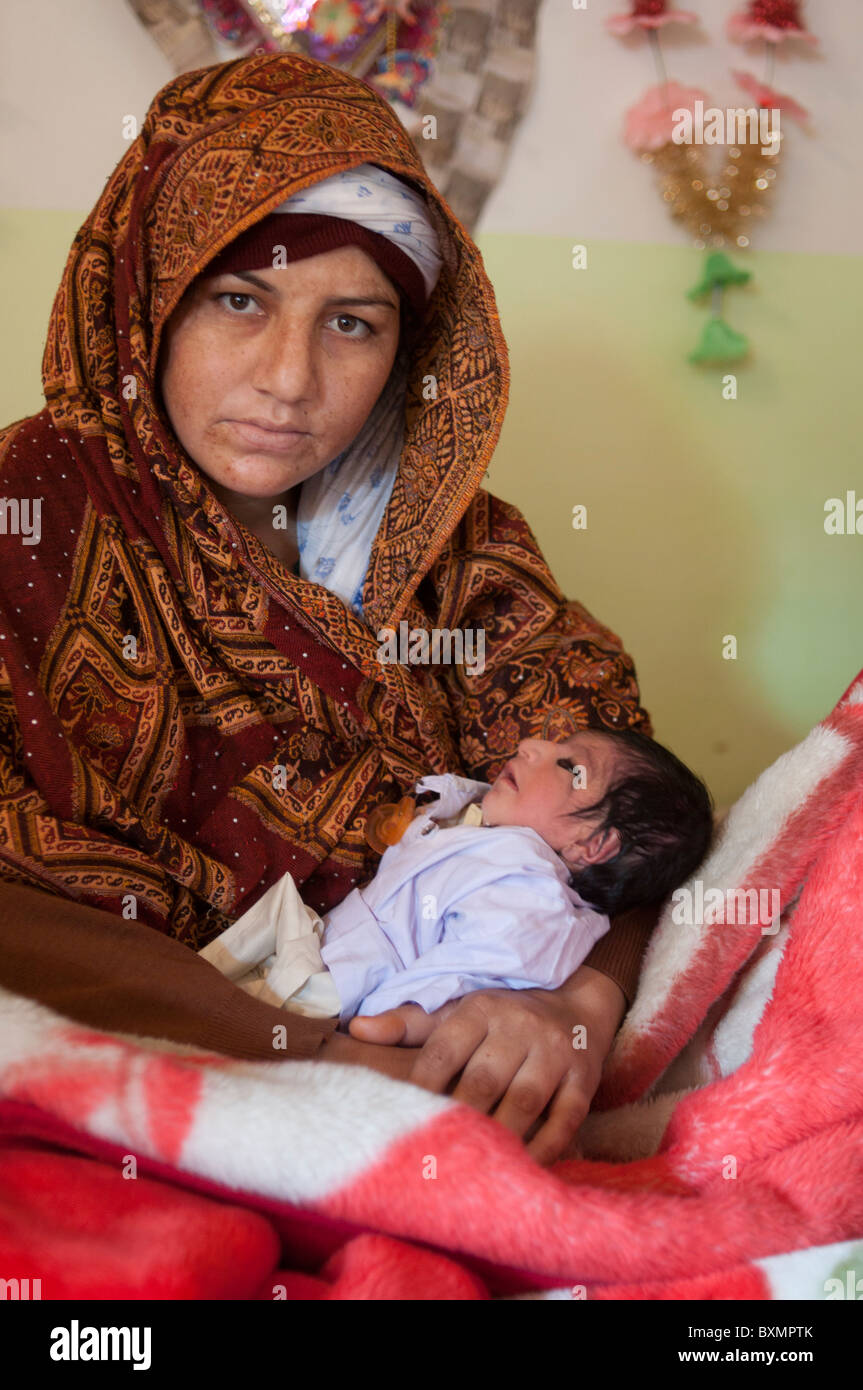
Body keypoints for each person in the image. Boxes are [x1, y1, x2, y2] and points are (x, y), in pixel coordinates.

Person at [0, 51, 660, 1165]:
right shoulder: (35, 507)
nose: (287, 378)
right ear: (150, 304)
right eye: (239, 301)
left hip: (412, 1043)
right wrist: (317, 1058)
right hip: (170, 1039)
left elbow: (634, 817)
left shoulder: (468, 558)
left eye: (351, 322)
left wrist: (575, 1012)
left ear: (408, 352)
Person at [200, 727, 713, 1023]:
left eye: (567, 766)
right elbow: (455, 807)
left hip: (337, 992)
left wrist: (381, 1021)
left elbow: (464, 974)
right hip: (325, 948)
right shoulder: (503, 835)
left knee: (225, 1008)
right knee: (245, 950)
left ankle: (186, 1007)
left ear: (594, 844)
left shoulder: (537, 899)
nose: (531, 744)